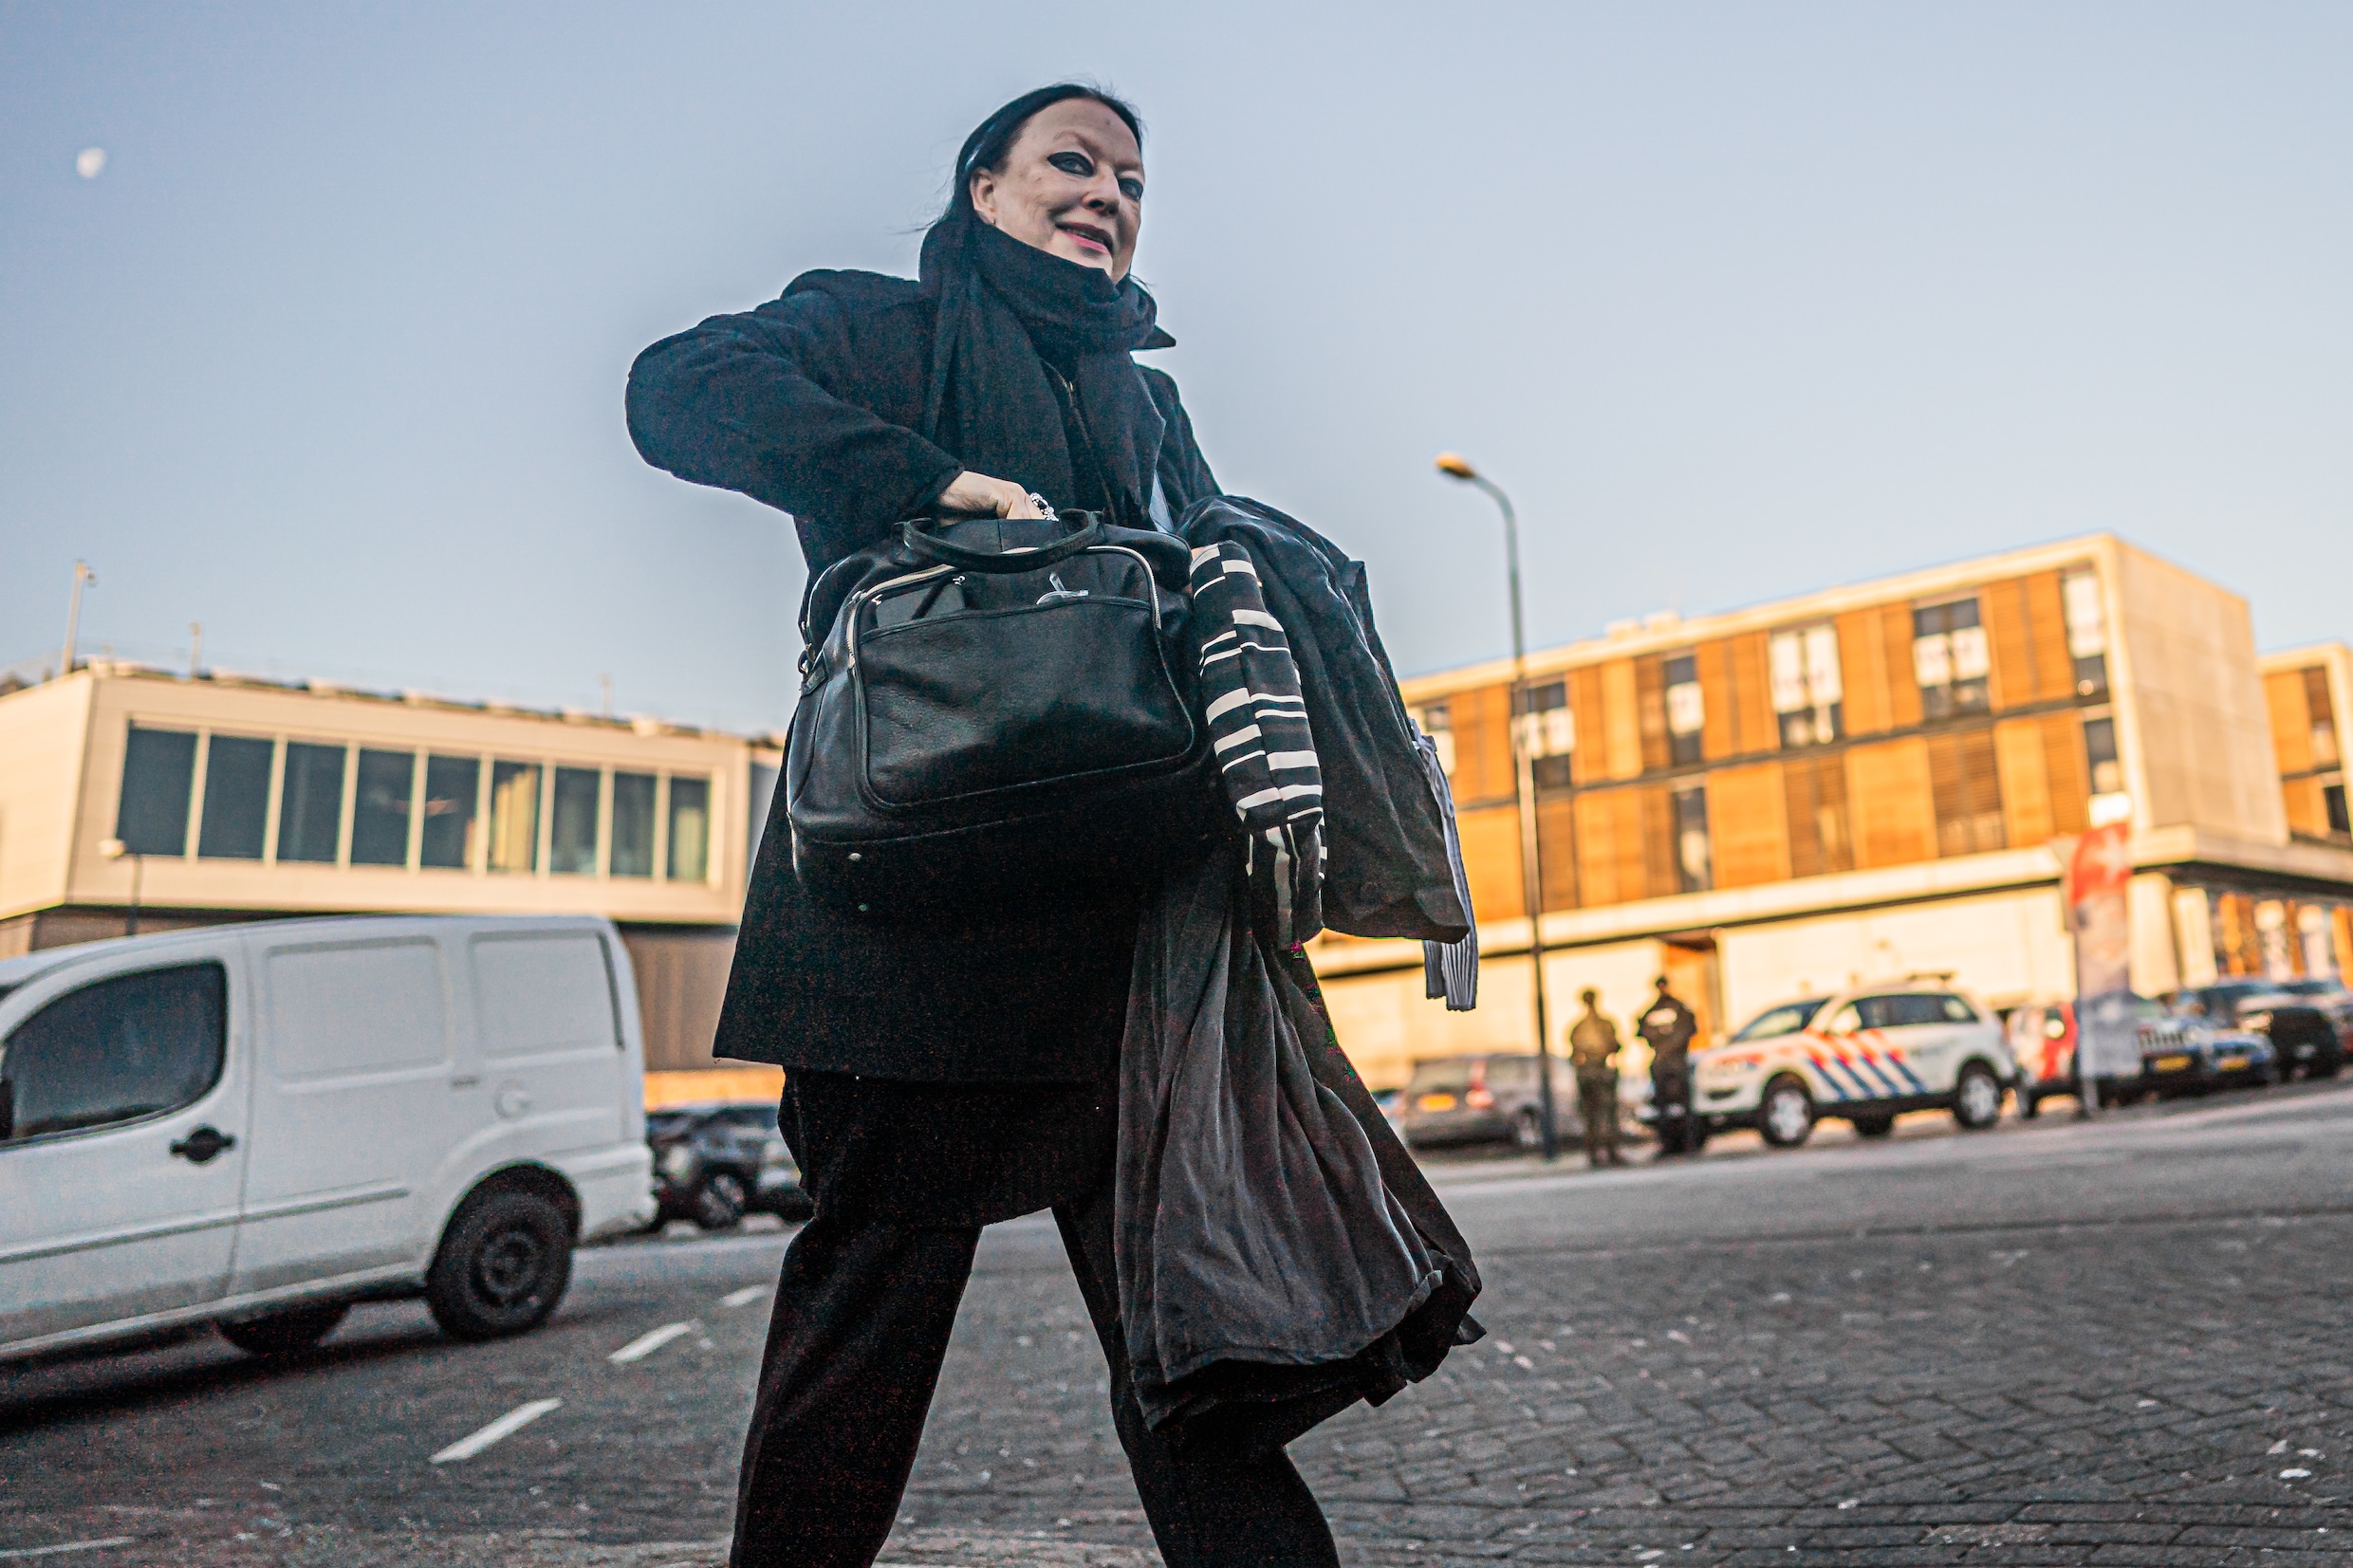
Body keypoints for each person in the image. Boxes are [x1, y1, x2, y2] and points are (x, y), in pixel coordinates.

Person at [626, 84, 1332, 1568]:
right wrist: (926, 480)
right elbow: (674, 388)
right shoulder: (878, 325)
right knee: (859, 1346)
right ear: (984, 186)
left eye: (1132, 179)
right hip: (907, 924)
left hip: (1119, 939)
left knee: (1190, 1354)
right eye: (1071, 162)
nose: (1107, 194)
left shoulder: (1147, 402)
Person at [1638, 975, 1701, 1156]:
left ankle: (1688, 1142)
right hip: (1670, 1060)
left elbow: (1688, 1029)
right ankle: (1672, 1143)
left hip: (1668, 1060)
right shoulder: (1666, 1009)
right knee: (1667, 1105)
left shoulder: (1664, 1009)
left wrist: (1663, 1043)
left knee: (1681, 1104)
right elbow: (1642, 1031)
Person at [1566, 988, 1626, 1168]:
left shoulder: (1587, 1026)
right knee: (1598, 1117)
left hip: (1596, 1074)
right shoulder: (1594, 1025)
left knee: (1600, 1117)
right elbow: (1614, 1046)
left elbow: (1614, 1046)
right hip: (1595, 1075)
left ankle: (1606, 1153)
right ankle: (1601, 1154)